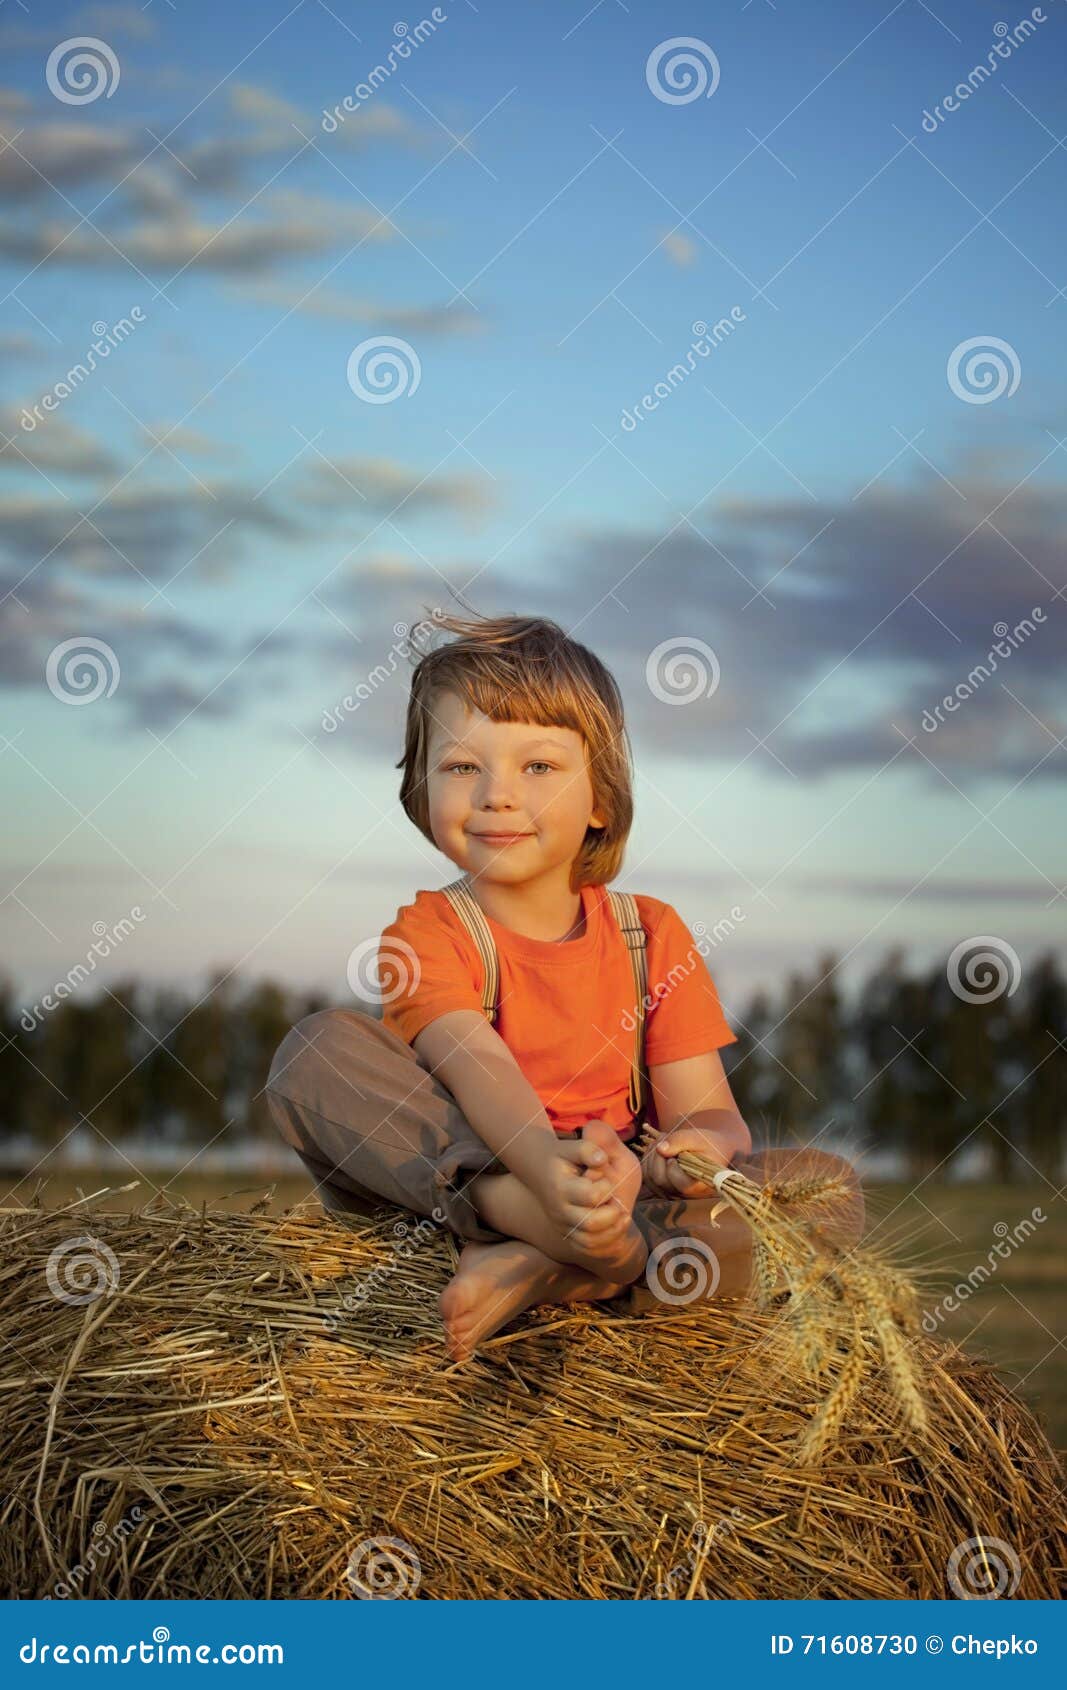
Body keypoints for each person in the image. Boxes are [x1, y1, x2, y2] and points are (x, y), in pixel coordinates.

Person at [266, 610, 863, 1360]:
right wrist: (543, 1173)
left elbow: (712, 1115)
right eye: (459, 767)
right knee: (313, 1053)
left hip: (623, 1195)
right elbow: (472, 1062)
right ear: (421, 795)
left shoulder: (652, 938)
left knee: (827, 1191)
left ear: (601, 800)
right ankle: (537, 1225)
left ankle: (556, 1267)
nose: (496, 794)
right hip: (476, 1178)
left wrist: (684, 1154)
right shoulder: (427, 935)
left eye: (538, 767)